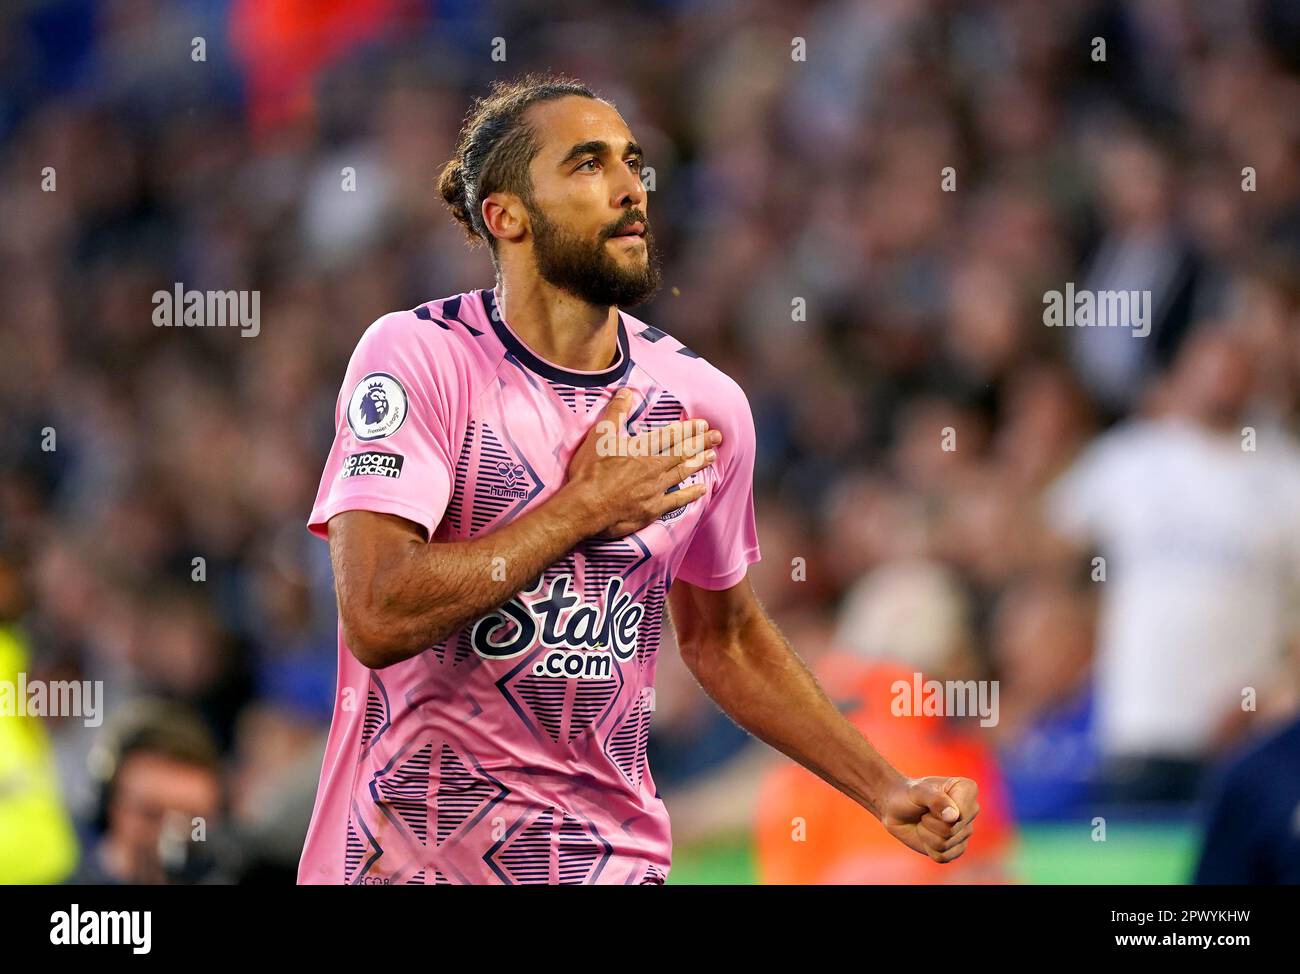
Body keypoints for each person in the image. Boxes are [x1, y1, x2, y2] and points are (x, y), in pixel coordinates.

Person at [297, 73, 978, 885]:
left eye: (632, 161)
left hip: (607, 861)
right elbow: (377, 611)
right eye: (587, 165)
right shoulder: (417, 358)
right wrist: (579, 509)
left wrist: (883, 787)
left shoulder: (704, 404)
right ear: (506, 215)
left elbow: (722, 637)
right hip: (405, 859)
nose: (629, 187)